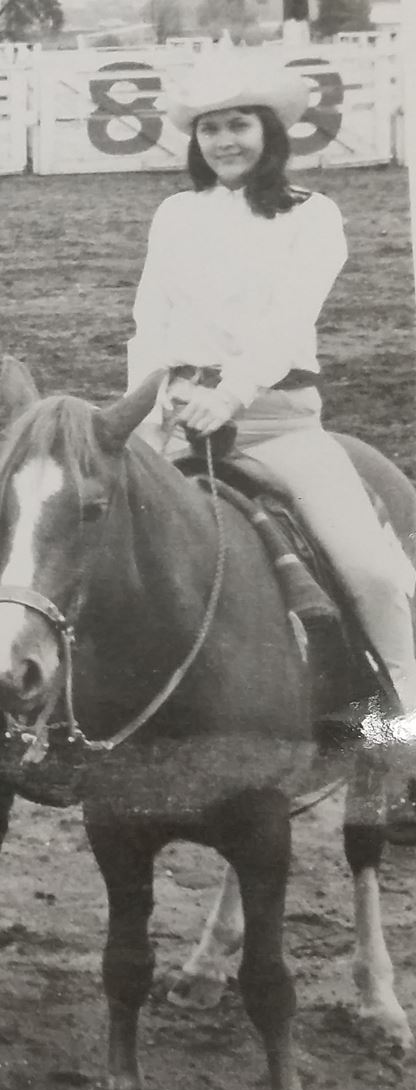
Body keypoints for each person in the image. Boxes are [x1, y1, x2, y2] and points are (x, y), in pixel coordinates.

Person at [132, 54, 416, 716]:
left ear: (270, 132)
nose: (225, 142)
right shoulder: (175, 214)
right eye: (210, 130)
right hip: (174, 413)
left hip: (277, 422)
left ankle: (404, 715)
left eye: (239, 126)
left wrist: (227, 395)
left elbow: (288, 324)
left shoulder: (312, 216)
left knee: (370, 568)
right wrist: (147, 413)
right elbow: (149, 322)